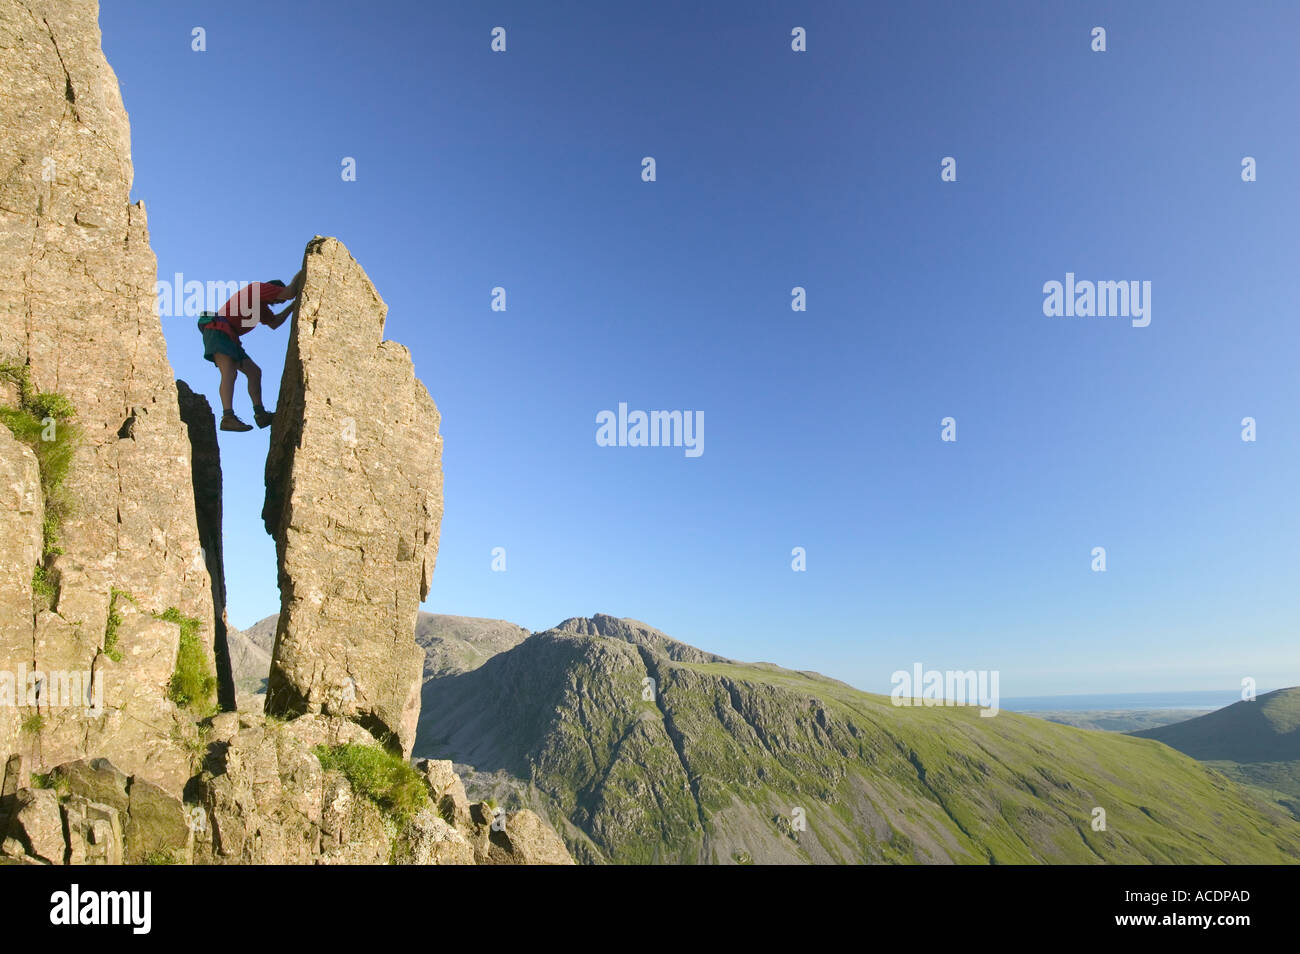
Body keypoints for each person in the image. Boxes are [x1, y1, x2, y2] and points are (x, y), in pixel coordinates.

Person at [200, 270, 302, 431]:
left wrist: (292, 307)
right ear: (273, 290)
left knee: (254, 372)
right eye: (277, 299)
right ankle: (228, 417)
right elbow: (290, 292)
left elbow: (274, 323)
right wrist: (303, 272)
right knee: (229, 372)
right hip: (219, 329)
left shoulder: (261, 307)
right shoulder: (260, 289)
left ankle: (260, 414)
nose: (278, 302)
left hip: (230, 336)